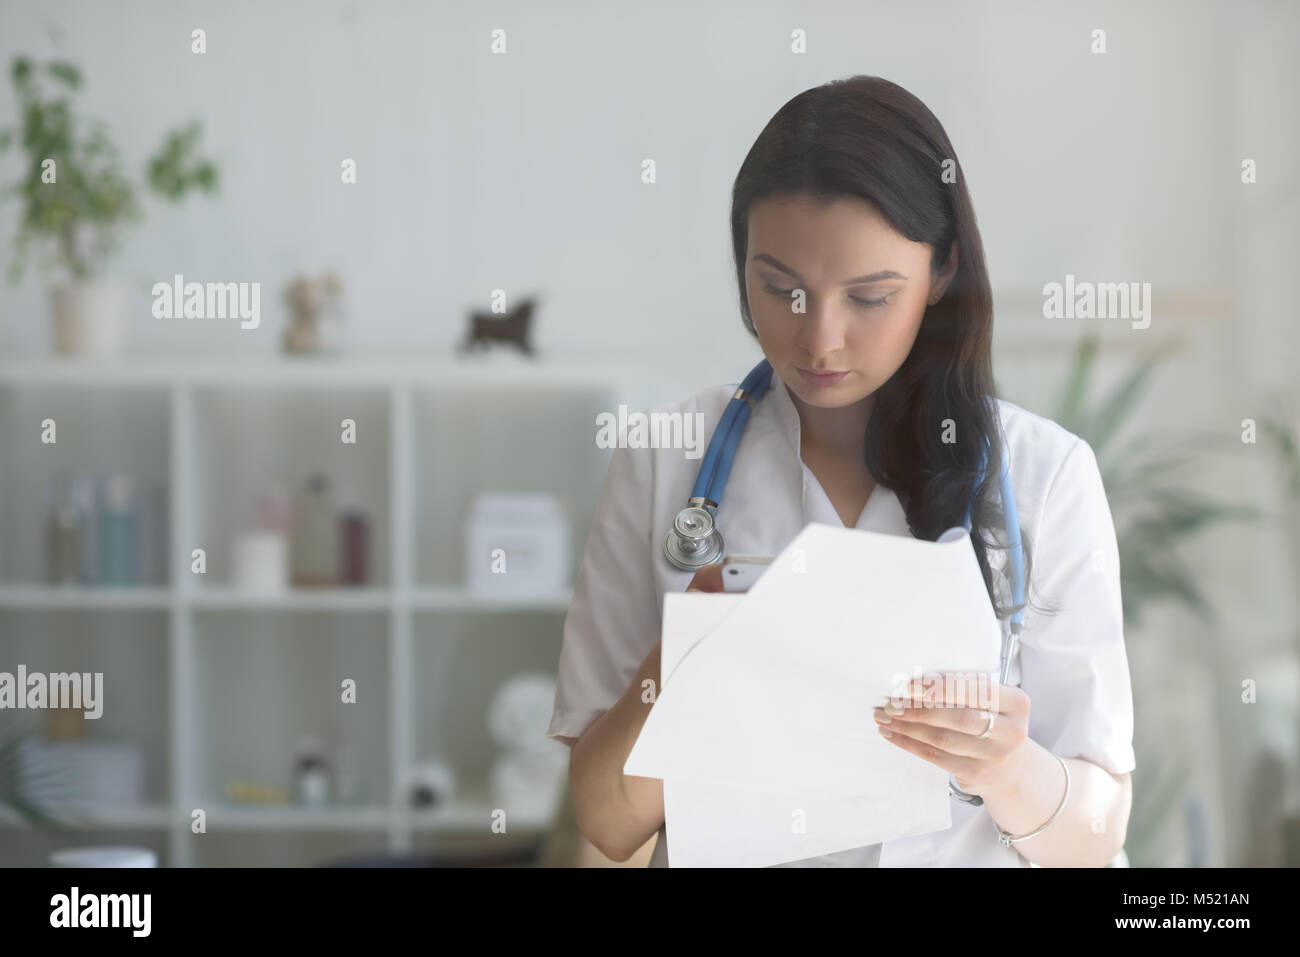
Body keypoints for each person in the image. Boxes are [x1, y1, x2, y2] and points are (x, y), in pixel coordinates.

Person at [547, 75, 1135, 867]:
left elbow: (1094, 839)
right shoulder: (665, 457)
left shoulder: (1048, 476)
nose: (819, 338)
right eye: (780, 287)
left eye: (868, 296)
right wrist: (680, 678)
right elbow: (606, 820)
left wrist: (1008, 768)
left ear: (943, 271)